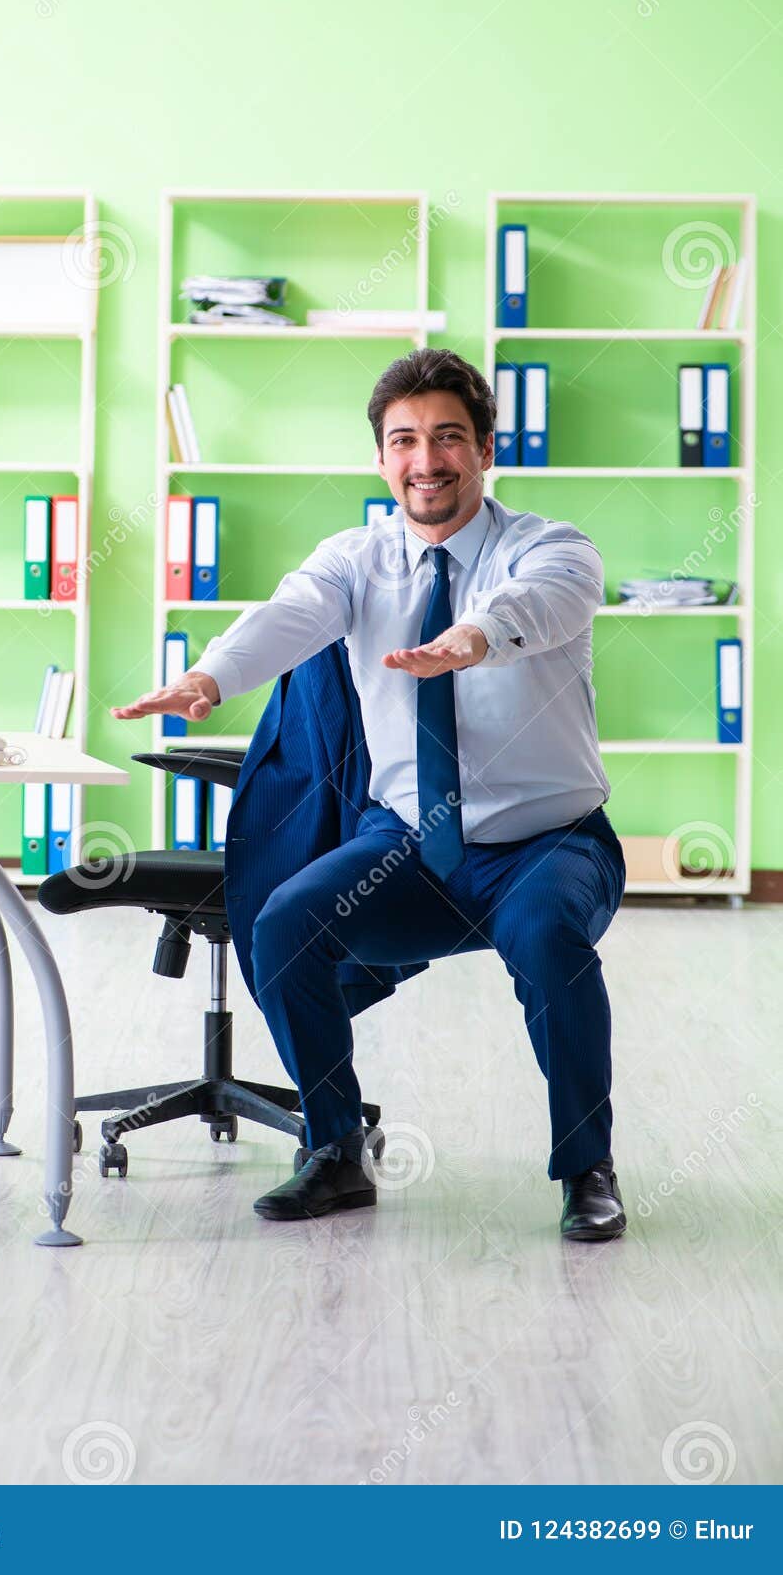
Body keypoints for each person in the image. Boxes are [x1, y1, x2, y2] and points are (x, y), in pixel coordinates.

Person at [112, 348, 627, 1242]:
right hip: (411, 848)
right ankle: (335, 1153)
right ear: (382, 458)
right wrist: (211, 675)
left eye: (448, 438)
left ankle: (587, 1167)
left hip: (549, 843)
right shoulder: (355, 558)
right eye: (405, 441)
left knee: (547, 937)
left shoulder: (549, 547)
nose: (427, 459)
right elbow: (291, 614)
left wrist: (472, 639)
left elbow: (544, 604)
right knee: (283, 923)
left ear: (486, 448)